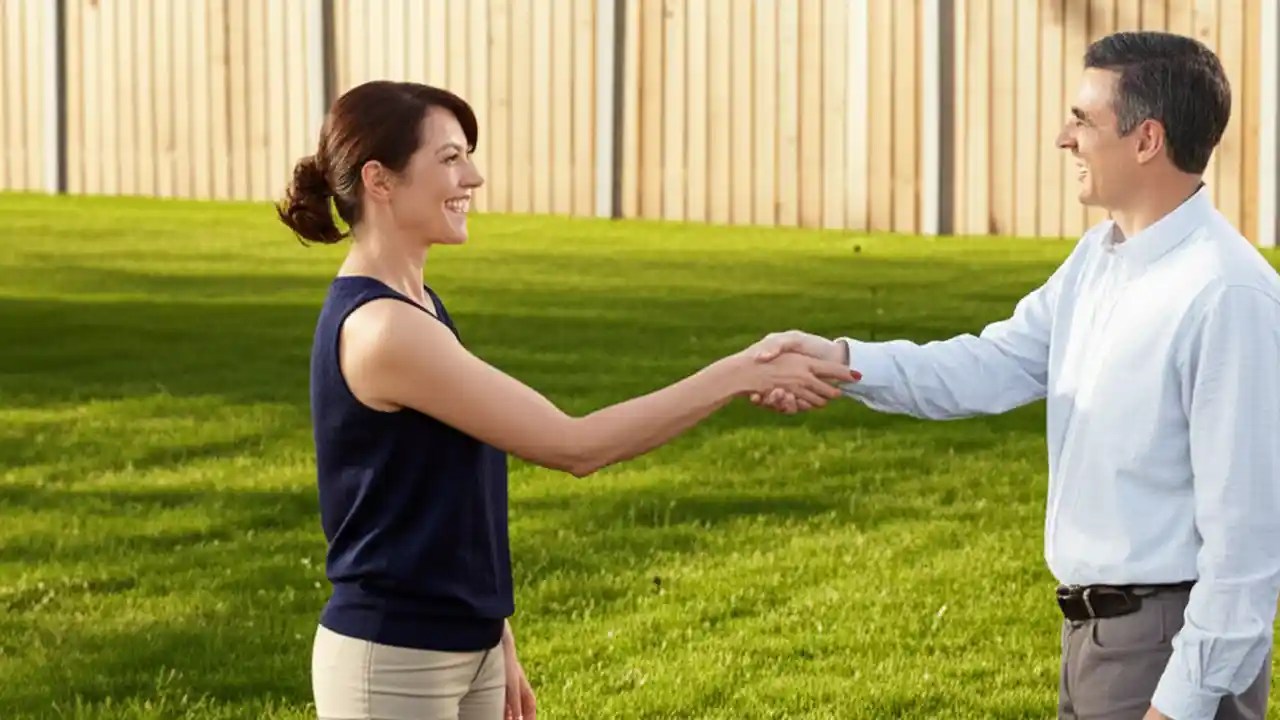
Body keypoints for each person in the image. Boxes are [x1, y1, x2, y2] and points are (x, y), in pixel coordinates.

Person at [274, 80, 856, 720]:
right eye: (449, 158)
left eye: (466, 154)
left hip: (464, 644)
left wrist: (497, 639)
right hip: (394, 661)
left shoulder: (418, 306)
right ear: (380, 180)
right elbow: (573, 445)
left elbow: (448, 501)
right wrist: (739, 371)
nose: (474, 175)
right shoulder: (385, 330)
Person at [752, 31, 1279, 720]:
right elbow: (993, 363)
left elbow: (1247, 542)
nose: (1065, 138)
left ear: (1146, 139)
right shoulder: (1100, 258)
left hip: (1166, 650)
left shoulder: (1227, 295)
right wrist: (842, 361)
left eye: (1083, 120)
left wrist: (1180, 703)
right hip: (1095, 643)